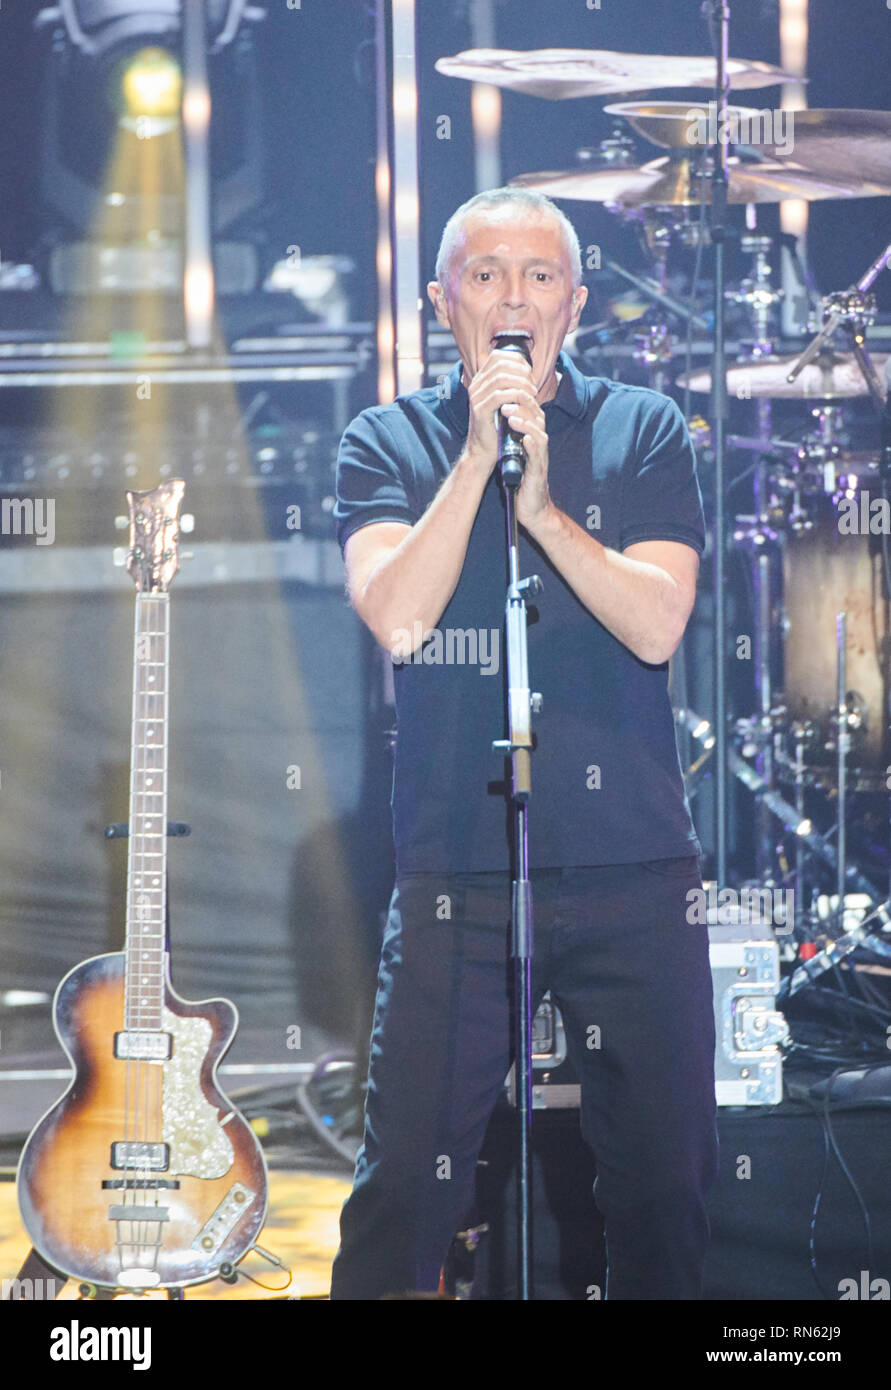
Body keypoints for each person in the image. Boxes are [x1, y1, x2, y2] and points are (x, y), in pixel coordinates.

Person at [329, 187, 719, 1300]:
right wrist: (474, 460)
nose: (513, 298)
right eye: (486, 274)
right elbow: (399, 620)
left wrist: (543, 508)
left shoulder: (644, 426)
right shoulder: (386, 441)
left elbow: (658, 623)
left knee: (664, 1192)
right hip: (458, 873)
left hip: (632, 865)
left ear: (574, 305)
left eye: (539, 275)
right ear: (441, 301)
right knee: (401, 1196)